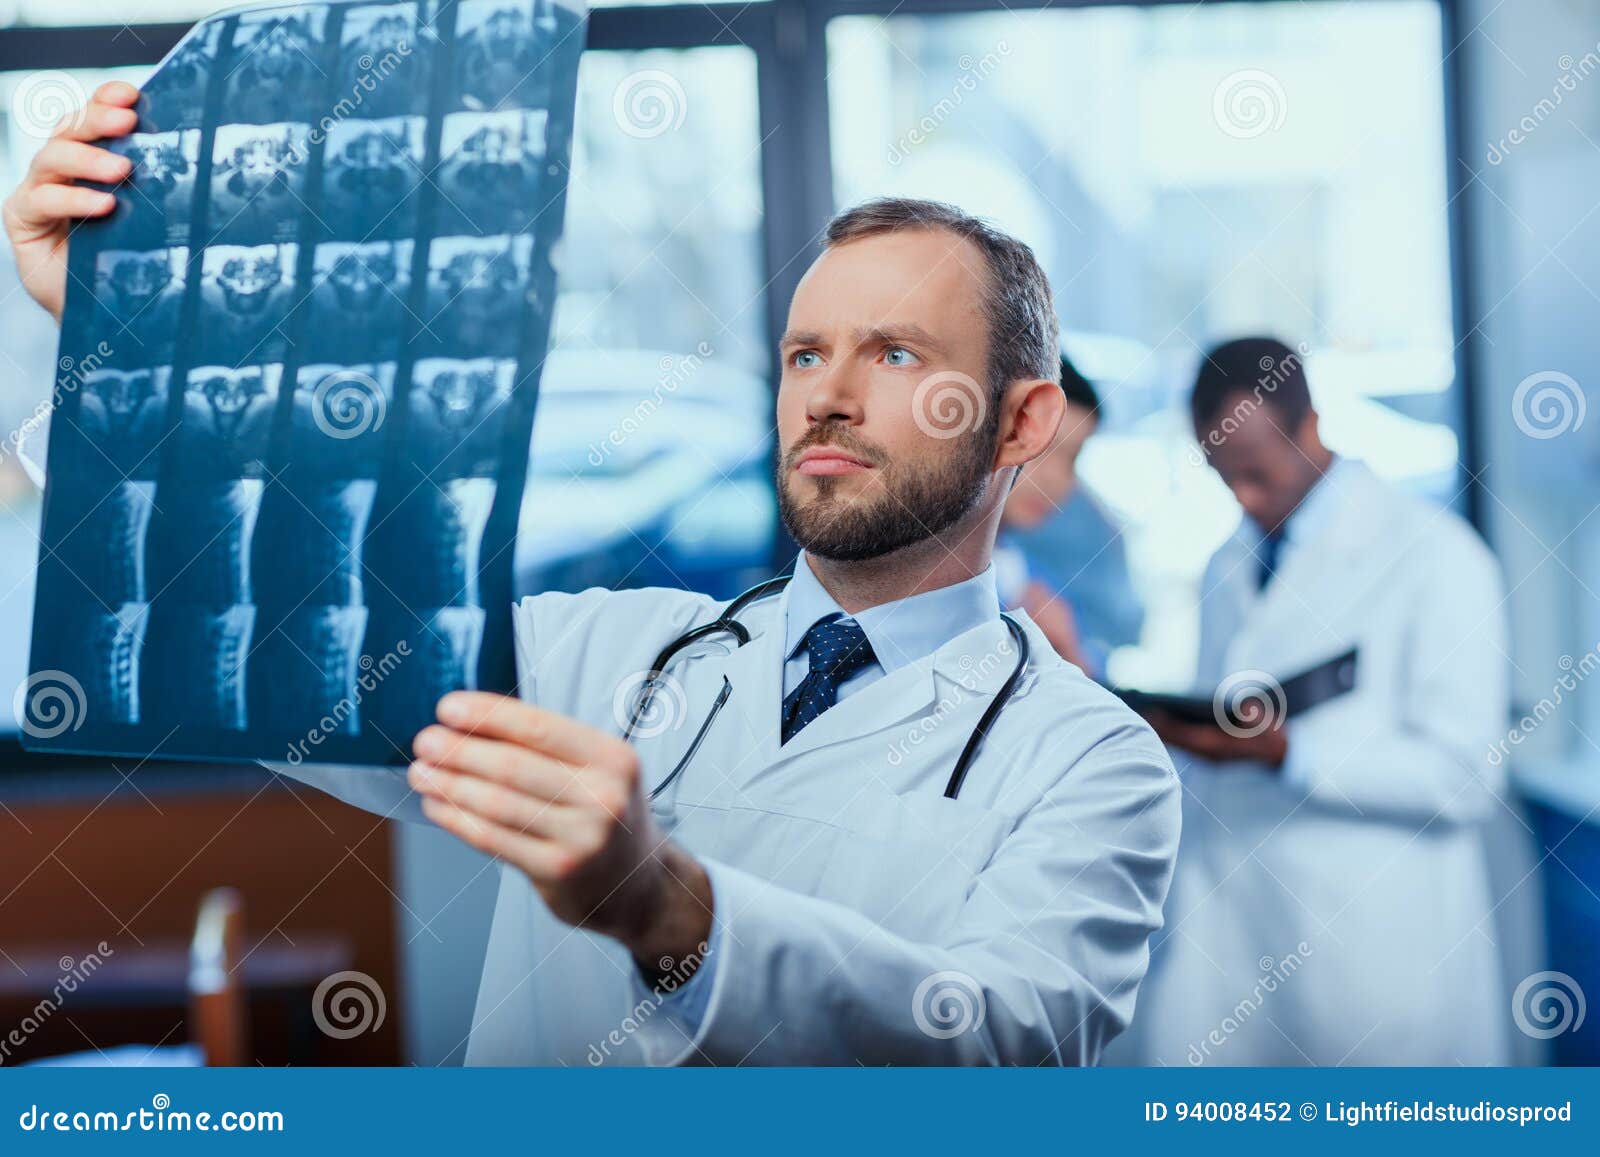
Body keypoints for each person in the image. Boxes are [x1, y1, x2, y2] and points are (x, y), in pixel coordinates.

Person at [5, 84, 1180, 1066]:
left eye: (895, 352)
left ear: (1024, 419)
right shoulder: (605, 650)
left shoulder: (1093, 760)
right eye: (805, 352)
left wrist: (668, 907)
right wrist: (133, 341)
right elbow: (276, 643)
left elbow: (997, 1047)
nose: (825, 392)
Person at [1129, 336, 1509, 1066]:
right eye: (1222, 477)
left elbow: (1465, 777)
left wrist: (1289, 751)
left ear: (1311, 427)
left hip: (1371, 958)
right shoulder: (1228, 559)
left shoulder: (1436, 556)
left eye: (1257, 474)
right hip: (1234, 934)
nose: (1242, 498)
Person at [997, 353, 1142, 676]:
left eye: (1073, 459)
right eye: (1045, 450)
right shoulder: (926, 567)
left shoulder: (1032, 585)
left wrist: (1068, 651)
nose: (1056, 479)